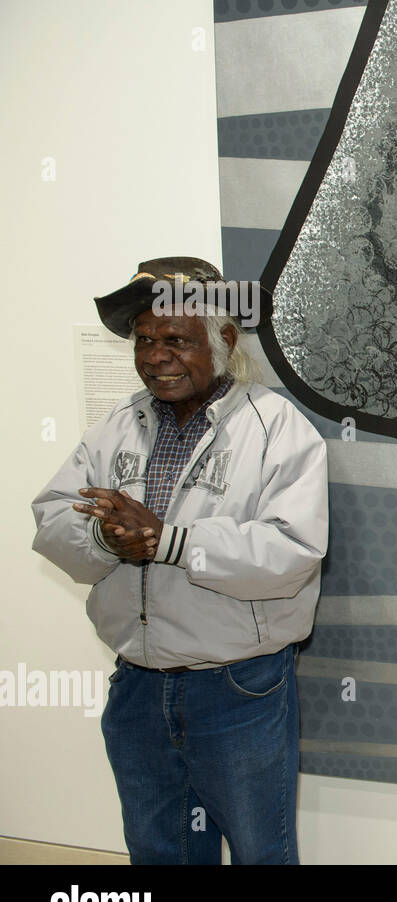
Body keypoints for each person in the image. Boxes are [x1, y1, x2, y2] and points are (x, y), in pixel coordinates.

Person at [32, 257, 328, 864]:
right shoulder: (117, 426)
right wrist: (106, 542)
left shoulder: (276, 428)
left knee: (259, 852)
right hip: (137, 684)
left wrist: (169, 541)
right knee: (157, 849)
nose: (156, 356)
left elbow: (292, 552)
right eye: (144, 340)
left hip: (238, 687)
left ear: (222, 341)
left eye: (175, 340)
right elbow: (53, 515)